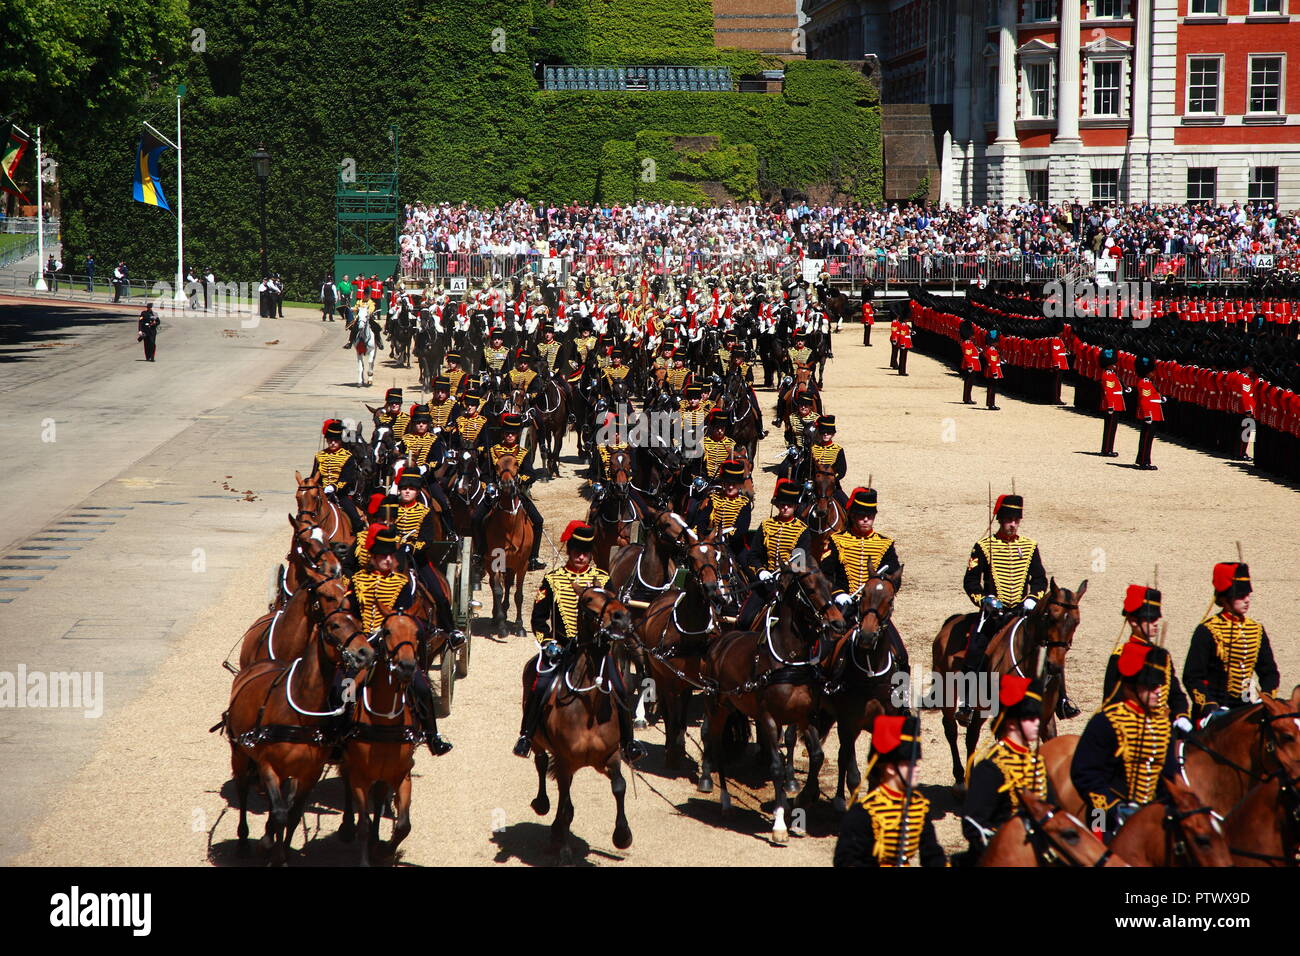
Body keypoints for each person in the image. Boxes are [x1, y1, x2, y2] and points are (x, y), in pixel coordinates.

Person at [515, 521, 646, 762]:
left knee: (620, 686)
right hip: (561, 649)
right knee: (540, 683)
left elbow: (614, 614)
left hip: (597, 650)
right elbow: (539, 618)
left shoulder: (602, 579)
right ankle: (526, 735)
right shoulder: (553, 579)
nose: (582, 556)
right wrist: (547, 643)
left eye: (586, 552)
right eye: (577, 551)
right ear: (569, 551)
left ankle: (628, 742)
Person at [957, 494, 1062, 724]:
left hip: (1022, 613)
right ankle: (966, 700)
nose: (1012, 524)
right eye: (1008, 519)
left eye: (1016, 519)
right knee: (975, 647)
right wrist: (984, 600)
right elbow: (971, 581)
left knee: (1053, 645)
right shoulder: (983, 547)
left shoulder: (1029, 546)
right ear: (1000, 520)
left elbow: (1039, 579)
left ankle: (1062, 699)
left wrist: (1033, 598)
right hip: (994, 613)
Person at [351, 524, 453, 756]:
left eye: (390, 555)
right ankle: (335, 732)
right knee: (342, 686)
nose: (387, 560)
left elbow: (405, 616)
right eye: (382, 556)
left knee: (421, 686)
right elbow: (351, 614)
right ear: (373, 558)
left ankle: (432, 737)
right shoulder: (357, 581)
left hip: (391, 645)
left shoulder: (403, 583)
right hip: (361, 644)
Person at [1071, 643, 1175, 839]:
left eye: (1159, 686)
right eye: (1152, 687)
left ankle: (1061, 699)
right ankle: (1062, 700)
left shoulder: (1162, 725)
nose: (1159, 691)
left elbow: (1169, 774)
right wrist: (1114, 808)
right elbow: (1085, 774)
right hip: (1106, 814)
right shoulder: (1106, 722)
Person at [834, 714, 947, 867]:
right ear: (891, 768)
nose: (917, 769)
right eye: (909, 764)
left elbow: (933, 857)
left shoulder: (918, 808)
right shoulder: (862, 815)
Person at [820, 487, 908, 676]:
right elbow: (824, 576)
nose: (866, 519)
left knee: (901, 655)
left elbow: (895, 578)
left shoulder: (885, 544)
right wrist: (838, 594)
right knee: (823, 653)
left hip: (874, 610)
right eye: (861, 515)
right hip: (845, 608)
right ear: (852, 516)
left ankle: (901, 702)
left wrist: (884, 589)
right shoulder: (837, 541)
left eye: (870, 515)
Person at [960, 676, 1048, 859]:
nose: (1037, 723)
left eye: (1037, 717)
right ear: (1011, 723)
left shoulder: (1036, 763)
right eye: (1030, 718)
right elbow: (973, 824)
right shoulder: (990, 768)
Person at [1183, 563, 1279, 722]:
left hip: (1247, 706)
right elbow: (1192, 677)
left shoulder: (1256, 630)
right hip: (1215, 708)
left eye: (1248, 594)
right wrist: (1210, 706)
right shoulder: (1207, 630)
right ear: (1225, 598)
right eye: (1241, 595)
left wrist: (1266, 697)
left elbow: (1269, 672)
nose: (1247, 600)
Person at [1103, 585, 1191, 732]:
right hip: (1132, 727)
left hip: (1162, 726)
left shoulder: (1162, 655)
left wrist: (1181, 716)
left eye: (1156, 618)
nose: (1156, 622)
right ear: (1133, 621)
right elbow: (1111, 700)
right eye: (1150, 619)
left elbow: (1176, 694)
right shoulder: (1120, 656)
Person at [472, 412, 546, 572]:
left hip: (517, 493)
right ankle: (480, 552)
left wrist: (521, 479)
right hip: (496, 494)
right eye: (507, 433)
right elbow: (485, 473)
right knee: (476, 517)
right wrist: (489, 484)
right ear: (503, 434)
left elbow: (531, 474)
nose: (510, 436)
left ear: (517, 435)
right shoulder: (493, 451)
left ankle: (533, 557)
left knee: (538, 521)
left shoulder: (523, 453)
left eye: (512, 433)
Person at [737, 479, 813, 629]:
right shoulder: (766, 525)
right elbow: (754, 555)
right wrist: (761, 571)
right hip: (766, 583)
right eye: (782, 504)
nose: (785, 508)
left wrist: (786, 575)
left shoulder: (803, 531)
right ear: (778, 505)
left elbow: (799, 564)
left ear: (795, 506)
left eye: (789, 505)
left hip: (790, 585)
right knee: (745, 619)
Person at [688, 459, 752, 555]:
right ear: (723, 483)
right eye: (727, 483)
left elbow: (741, 530)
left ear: (739, 485)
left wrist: (721, 537)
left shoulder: (744, 503)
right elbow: (702, 521)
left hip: (734, 546)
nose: (730, 487)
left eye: (734, 484)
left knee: (746, 565)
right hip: (711, 543)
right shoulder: (713, 499)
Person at [310, 419, 363, 532]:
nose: (332, 443)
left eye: (335, 440)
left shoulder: (347, 456)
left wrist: (334, 487)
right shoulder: (320, 455)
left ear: (340, 441)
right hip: (321, 493)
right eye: (330, 440)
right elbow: (314, 475)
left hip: (340, 494)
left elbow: (347, 478)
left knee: (356, 519)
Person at [1133, 355, 1163, 470]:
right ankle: (1144, 461)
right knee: (1146, 438)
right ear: (1147, 372)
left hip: (1153, 412)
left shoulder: (1148, 382)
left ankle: (1142, 459)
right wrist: (1147, 415)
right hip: (1150, 413)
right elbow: (1144, 400)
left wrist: (1160, 398)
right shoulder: (1144, 383)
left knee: (1147, 438)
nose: (1153, 373)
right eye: (1152, 371)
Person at [1097, 348, 1125, 457]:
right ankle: (1107, 449)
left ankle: (1108, 448)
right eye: (1113, 364)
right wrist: (1110, 406)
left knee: (1112, 428)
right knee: (1110, 428)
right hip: (1112, 404)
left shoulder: (1112, 374)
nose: (1115, 365)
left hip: (1116, 403)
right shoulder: (1107, 375)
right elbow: (1108, 392)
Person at [960, 324, 981, 405]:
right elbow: (968, 355)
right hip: (971, 364)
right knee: (969, 382)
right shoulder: (968, 343)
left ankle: (967, 398)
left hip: (972, 363)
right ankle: (967, 398)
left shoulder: (969, 343)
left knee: (969, 382)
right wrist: (969, 365)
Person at [983, 328, 1003, 410]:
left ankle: (989, 402)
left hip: (991, 370)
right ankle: (991, 404)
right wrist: (995, 372)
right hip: (993, 371)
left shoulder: (990, 349)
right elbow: (993, 363)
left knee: (990, 387)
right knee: (992, 388)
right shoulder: (992, 351)